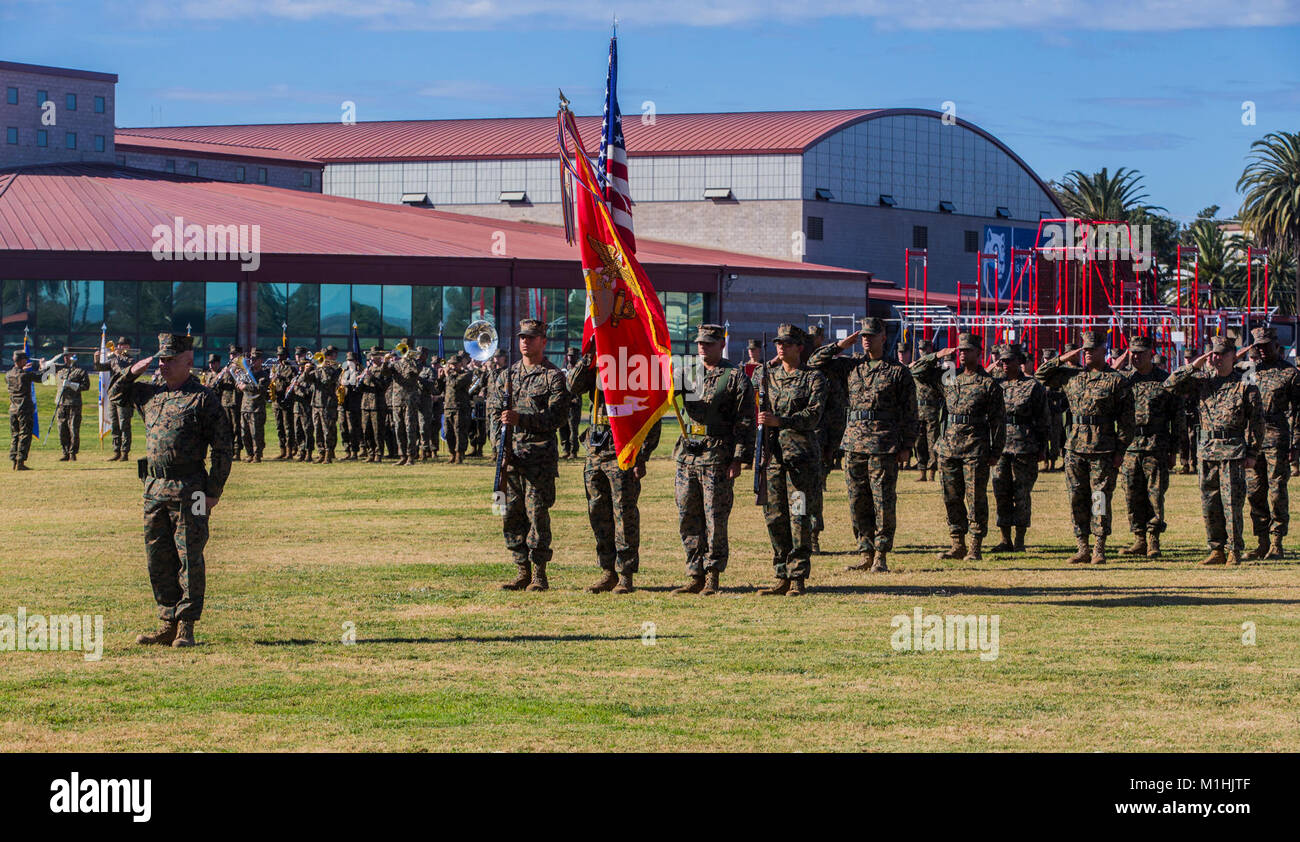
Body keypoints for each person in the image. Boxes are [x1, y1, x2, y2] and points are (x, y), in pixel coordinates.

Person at [110, 333, 233, 648]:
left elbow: (223, 448)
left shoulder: (204, 399)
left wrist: (213, 492)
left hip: (191, 490)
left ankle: (186, 626)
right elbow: (115, 396)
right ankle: (167, 622)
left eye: (169, 360)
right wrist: (132, 371)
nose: (163, 365)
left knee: (189, 556)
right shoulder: (152, 394)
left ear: (188, 362)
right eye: (160, 359)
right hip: (154, 488)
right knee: (158, 556)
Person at [808, 316, 917, 573]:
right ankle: (865, 551)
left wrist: (907, 445)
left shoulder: (897, 371)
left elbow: (911, 413)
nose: (866, 339)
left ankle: (881, 553)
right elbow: (814, 363)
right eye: (863, 336)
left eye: (871, 335)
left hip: (884, 443)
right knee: (857, 500)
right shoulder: (851, 365)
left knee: (882, 500)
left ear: (883, 338)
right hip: (854, 442)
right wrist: (840, 346)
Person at [567, 345, 661, 594]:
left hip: (623, 451)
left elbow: (651, 412)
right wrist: (589, 355)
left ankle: (626, 574)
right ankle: (607, 571)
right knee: (598, 512)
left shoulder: (636, 365)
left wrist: (642, 455)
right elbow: (572, 386)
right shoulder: (595, 364)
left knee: (624, 513)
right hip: (595, 450)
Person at [1035, 329, 1134, 564]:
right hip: (1075, 448)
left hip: (1103, 449)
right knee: (1076, 497)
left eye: (1092, 349)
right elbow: (1040, 375)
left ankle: (1099, 547)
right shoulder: (1072, 376)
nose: (1088, 353)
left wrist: (1120, 451)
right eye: (1085, 349)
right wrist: (1065, 357)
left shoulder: (1116, 380)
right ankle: (1082, 547)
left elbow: (1128, 422)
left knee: (1099, 498)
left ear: (1103, 350)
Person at [670, 324, 755, 595]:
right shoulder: (688, 373)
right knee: (688, 516)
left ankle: (712, 574)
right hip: (688, 455)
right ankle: (694, 573)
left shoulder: (734, 377)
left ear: (721, 344)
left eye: (708, 343)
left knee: (715, 519)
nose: (702, 347)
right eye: (699, 343)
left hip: (717, 455)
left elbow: (745, 421)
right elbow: (664, 395)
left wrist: (739, 458)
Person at [1165, 335, 1264, 565]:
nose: (1217, 358)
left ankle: (1234, 550)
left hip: (1233, 451)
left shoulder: (1245, 384)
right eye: (1214, 354)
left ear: (1233, 356)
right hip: (1207, 451)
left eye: (1222, 354)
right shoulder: (1202, 381)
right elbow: (1169, 384)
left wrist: (1252, 453)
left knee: (1232, 504)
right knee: (1209, 502)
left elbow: (1257, 423)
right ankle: (1216, 549)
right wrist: (1195, 365)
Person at [489, 319, 569, 591]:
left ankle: (539, 574)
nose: (525, 341)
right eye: (522, 337)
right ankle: (521, 569)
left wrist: (520, 419)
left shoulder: (553, 376)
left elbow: (556, 418)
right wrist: (497, 447)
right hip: (509, 460)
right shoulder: (506, 376)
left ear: (543, 342)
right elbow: (493, 414)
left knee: (537, 516)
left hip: (538, 460)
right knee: (509, 514)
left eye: (532, 337)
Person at [911, 332, 1005, 560]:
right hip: (948, 449)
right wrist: (937, 355)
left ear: (978, 353)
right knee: (951, 498)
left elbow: (998, 422)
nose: (962, 354)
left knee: (975, 499)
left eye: (967, 350)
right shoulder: (950, 377)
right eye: (960, 350)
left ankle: (975, 545)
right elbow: (916, 372)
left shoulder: (988, 383)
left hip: (975, 449)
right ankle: (957, 543)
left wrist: (995, 452)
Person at [751, 324, 827, 595]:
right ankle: (781, 573)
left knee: (799, 514)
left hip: (800, 460)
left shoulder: (813, 378)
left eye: (787, 343)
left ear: (800, 347)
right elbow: (745, 383)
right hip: (772, 458)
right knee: (774, 516)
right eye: (777, 343)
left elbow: (814, 415)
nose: (781, 346)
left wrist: (780, 420)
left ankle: (797, 577)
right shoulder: (765, 375)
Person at [1238, 326, 1300, 559]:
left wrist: (1296, 445)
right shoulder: (1250, 371)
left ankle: (1277, 542)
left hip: (1277, 439)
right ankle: (1261, 542)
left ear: (1277, 346)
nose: (1262, 350)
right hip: (1252, 441)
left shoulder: (1290, 373)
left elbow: (1298, 412)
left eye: (1266, 345)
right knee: (1254, 492)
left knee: (1276, 492)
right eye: (1258, 346)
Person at [1114, 336, 1177, 558]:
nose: (1135, 356)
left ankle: (1153, 540)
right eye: (1132, 352)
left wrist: (1175, 450)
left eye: (1140, 352)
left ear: (1151, 353)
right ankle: (1139, 538)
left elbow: (1177, 417)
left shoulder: (1165, 380)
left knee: (1155, 495)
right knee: (1131, 493)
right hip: (1130, 447)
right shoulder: (1123, 380)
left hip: (1155, 445)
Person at [989, 343, 1048, 552]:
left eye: (1009, 360)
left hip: (1025, 446)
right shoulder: (995, 384)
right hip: (1000, 447)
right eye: (1002, 361)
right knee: (1001, 492)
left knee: (1021, 493)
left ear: (1019, 362)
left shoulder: (1033, 386)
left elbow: (1043, 418)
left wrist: (1042, 447)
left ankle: (1020, 539)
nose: (1005, 364)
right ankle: (1005, 539)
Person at [94, 336, 136, 462]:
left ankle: (125, 452)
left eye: (124, 345)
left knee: (124, 424)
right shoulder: (114, 359)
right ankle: (116, 450)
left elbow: (122, 372)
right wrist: (96, 358)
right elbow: (99, 368)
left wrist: (115, 357)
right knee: (114, 423)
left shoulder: (131, 360)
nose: (122, 347)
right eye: (120, 345)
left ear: (129, 347)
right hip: (113, 395)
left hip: (125, 395)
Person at [50, 348, 90, 461]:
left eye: (68, 356)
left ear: (73, 356)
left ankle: (73, 453)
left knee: (73, 428)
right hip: (61, 403)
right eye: (64, 356)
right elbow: (44, 373)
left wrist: (71, 384)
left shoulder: (80, 370)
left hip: (74, 403)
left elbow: (86, 386)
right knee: (62, 429)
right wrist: (43, 364)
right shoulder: (59, 368)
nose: (65, 358)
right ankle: (65, 452)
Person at [7, 349, 44, 470]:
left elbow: (17, 376)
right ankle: (20, 461)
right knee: (25, 434)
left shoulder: (8, 374)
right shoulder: (26, 375)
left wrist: (22, 369)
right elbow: (43, 378)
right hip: (24, 408)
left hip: (13, 408)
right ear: (22, 360)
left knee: (15, 434)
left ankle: (14, 460)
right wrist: (42, 366)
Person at [913, 338, 943, 482]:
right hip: (918, 409)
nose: (923, 352)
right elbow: (917, 371)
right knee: (919, 443)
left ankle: (931, 471)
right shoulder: (917, 366)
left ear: (931, 350)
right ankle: (921, 470)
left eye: (926, 350)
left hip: (932, 409)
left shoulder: (937, 370)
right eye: (921, 350)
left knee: (932, 442)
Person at [237, 350, 271, 463]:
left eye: (255, 360)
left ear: (260, 361)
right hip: (245, 407)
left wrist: (244, 387)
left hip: (256, 408)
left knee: (256, 433)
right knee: (244, 433)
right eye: (251, 359)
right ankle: (249, 454)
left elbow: (260, 389)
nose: (252, 362)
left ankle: (257, 455)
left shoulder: (264, 375)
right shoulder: (247, 373)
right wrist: (238, 381)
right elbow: (239, 385)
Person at [359, 347, 387, 462]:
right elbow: (361, 388)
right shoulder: (367, 369)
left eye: (374, 355)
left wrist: (372, 377)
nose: (372, 357)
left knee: (378, 431)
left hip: (377, 404)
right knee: (367, 430)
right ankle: (370, 453)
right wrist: (359, 380)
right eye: (371, 355)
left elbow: (383, 386)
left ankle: (378, 454)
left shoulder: (383, 369)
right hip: (365, 404)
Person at [443, 351, 473, 463]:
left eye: (455, 364)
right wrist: (441, 377)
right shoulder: (450, 376)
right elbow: (438, 388)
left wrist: (447, 375)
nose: (452, 366)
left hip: (460, 407)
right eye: (451, 364)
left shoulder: (466, 374)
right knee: (448, 432)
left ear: (461, 364)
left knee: (459, 432)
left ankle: (459, 455)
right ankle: (451, 453)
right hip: (448, 407)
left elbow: (455, 384)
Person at [1041, 348, 1066, 473]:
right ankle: (1045, 462)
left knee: (1055, 438)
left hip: (1056, 411)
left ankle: (1053, 462)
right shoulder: (1041, 374)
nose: (1047, 361)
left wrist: (1049, 394)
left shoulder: (1059, 374)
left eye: (1049, 359)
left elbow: (1063, 393)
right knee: (1044, 437)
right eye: (1045, 359)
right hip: (1044, 412)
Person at [269, 347, 296, 460]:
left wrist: (281, 377)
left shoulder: (291, 368)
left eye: (282, 356)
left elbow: (292, 382)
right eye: (278, 356)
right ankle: (282, 450)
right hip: (276, 401)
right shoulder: (276, 368)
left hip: (286, 401)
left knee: (288, 427)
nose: (279, 358)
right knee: (279, 427)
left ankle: (290, 450)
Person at [339, 351, 364, 461]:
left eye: (351, 360)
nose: (349, 363)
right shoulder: (344, 371)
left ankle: (355, 451)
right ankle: (347, 451)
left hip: (354, 405)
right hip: (343, 404)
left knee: (353, 429)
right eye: (348, 360)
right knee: (343, 428)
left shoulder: (360, 372)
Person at [561, 347, 584, 459]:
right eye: (569, 355)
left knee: (573, 429)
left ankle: (573, 451)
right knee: (563, 427)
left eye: (573, 356)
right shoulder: (564, 369)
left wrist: (574, 400)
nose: (570, 357)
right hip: (564, 403)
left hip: (574, 403)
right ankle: (565, 450)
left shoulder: (579, 370)